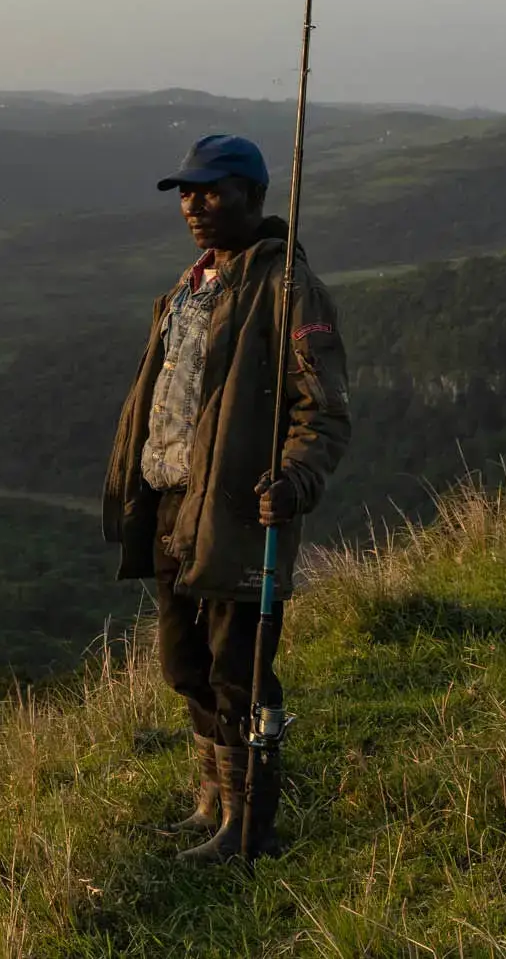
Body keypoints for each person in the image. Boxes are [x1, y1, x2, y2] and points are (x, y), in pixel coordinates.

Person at [101, 133, 351, 861]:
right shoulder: (192, 284)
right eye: (186, 191)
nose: (194, 204)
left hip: (242, 515)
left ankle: (249, 830)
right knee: (187, 668)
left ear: (253, 195)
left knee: (239, 672)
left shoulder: (287, 288)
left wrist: (296, 478)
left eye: (211, 190)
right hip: (175, 507)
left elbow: (325, 409)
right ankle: (213, 803)